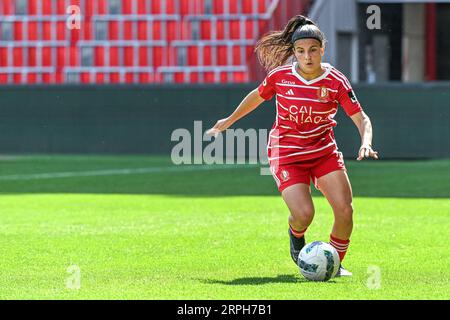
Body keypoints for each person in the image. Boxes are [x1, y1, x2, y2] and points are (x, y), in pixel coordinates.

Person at [206, 15, 378, 277]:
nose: (306, 56)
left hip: (323, 152)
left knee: (345, 211)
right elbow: (256, 97)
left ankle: (332, 263)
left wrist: (366, 142)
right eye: (300, 51)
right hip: (287, 153)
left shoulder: (336, 81)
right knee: (304, 214)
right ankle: (296, 236)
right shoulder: (281, 77)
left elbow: (361, 117)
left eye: (312, 50)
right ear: (294, 52)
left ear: (322, 50)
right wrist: (229, 121)